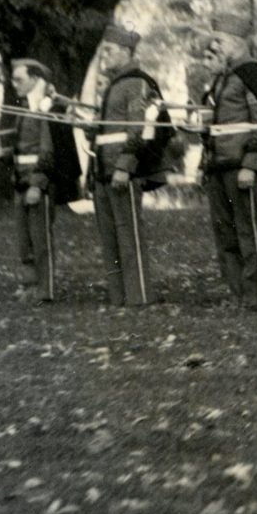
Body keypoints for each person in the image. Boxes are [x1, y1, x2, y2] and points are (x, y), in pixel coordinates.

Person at [203, 13, 257, 309]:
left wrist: (251, 165)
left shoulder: (251, 73)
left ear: (237, 42)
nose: (215, 45)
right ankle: (237, 293)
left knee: (246, 232)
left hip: (240, 166)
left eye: (220, 40)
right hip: (218, 165)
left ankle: (255, 296)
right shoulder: (223, 77)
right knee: (224, 232)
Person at [91, 24, 169, 307]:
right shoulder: (112, 85)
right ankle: (118, 295)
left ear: (125, 52)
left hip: (122, 170)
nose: (105, 57)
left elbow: (139, 129)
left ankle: (139, 296)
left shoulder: (136, 83)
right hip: (103, 170)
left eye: (109, 51)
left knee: (129, 234)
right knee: (110, 237)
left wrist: (125, 166)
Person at [9, 57, 82, 302]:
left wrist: (37, 185)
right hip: (20, 181)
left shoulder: (45, 109)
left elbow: (47, 150)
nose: (14, 84)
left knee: (40, 240)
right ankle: (29, 285)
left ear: (35, 79)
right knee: (24, 240)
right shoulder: (24, 107)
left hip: (37, 184)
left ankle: (46, 290)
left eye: (19, 79)